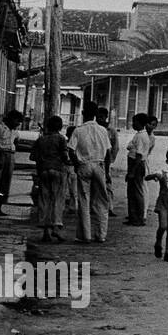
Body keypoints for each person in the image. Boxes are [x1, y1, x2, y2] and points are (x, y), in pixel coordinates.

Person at [69, 103, 113, 244]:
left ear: (83, 112)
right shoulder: (102, 130)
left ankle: (85, 235)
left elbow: (71, 150)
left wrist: (76, 165)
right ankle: (101, 235)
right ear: (95, 113)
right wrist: (107, 170)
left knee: (84, 200)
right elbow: (108, 152)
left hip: (84, 165)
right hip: (99, 165)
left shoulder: (78, 130)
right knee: (102, 201)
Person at [29, 115, 69, 242]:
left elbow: (32, 157)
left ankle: (46, 231)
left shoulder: (41, 139)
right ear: (60, 127)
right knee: (57, 199)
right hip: (57, 170)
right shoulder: (61, 138)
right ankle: (56, 227)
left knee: (44, 200)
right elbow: (64, 155)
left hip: (44, 171)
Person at [0, 110, 24, 216]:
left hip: (10, 155)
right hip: (0, 154)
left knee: (5, 183)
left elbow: (16, 141)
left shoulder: (15, 131)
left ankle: (0, 207)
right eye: (17, 121)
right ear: (11, 119)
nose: (18, 124)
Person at [123, 113, 150, 226]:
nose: (133, 124)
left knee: (137, 192)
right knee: (132, 192)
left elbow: (139, 155)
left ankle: (138, 217)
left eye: (135, 122)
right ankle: (133, 216)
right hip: (135, 164)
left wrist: (132, 171)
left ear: (140, 123)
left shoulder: (141, 136)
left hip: (137, 165)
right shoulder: (140, 135)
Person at [96, 107, 120, 217]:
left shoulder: (111, 130)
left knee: (108, 185)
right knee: (95, 184)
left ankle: (110, 207)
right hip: (95, 159)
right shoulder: (95, 128)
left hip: (106, 160)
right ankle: (94, 206)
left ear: (106, 117)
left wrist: (110, 160)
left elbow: (115, 146)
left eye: (102, 117)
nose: (100, 119)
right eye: (98, 117)